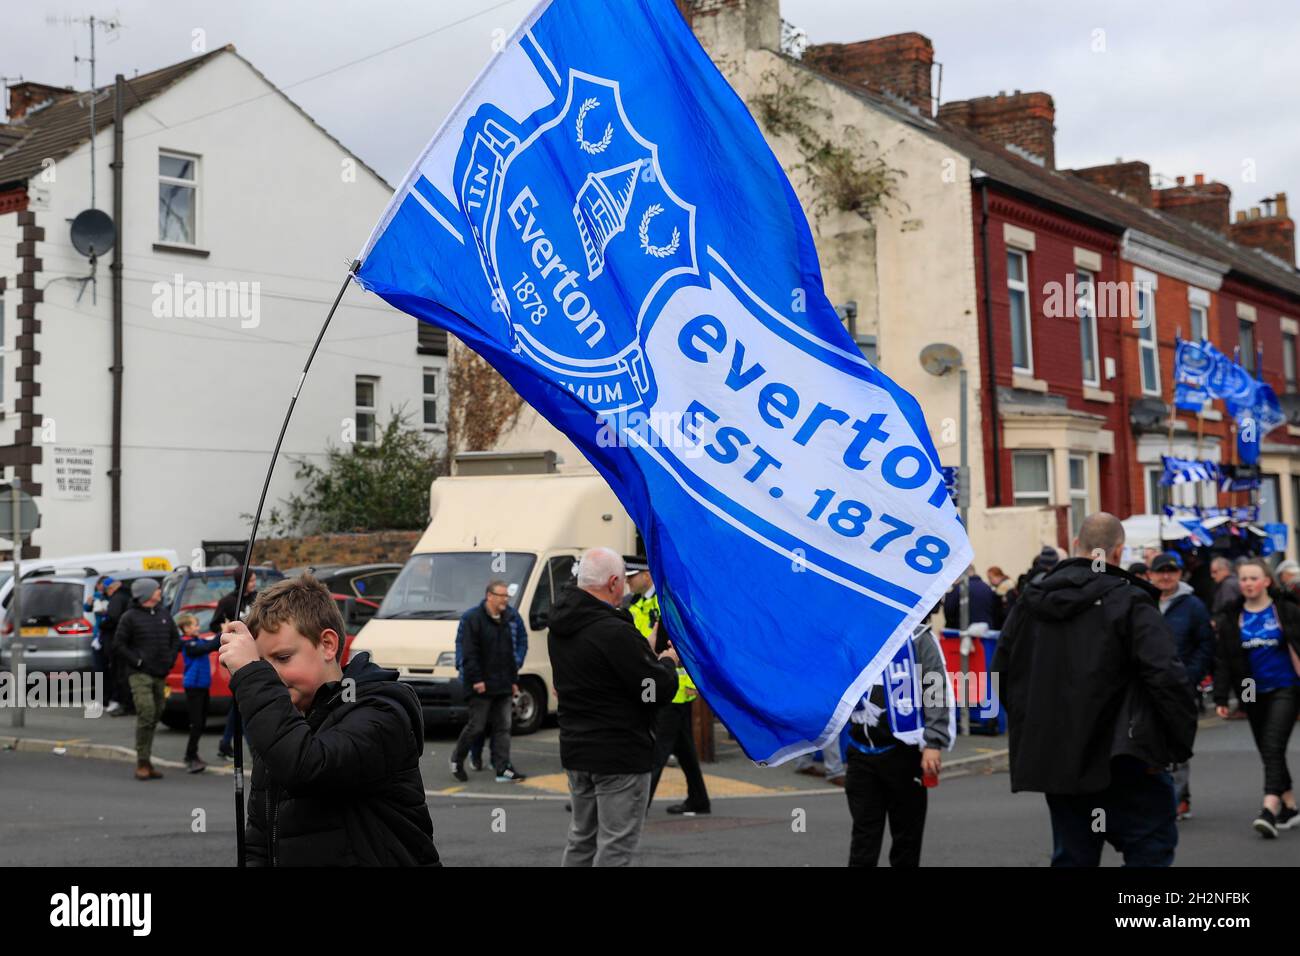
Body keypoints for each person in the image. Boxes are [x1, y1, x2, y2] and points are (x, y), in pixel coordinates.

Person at [993, 512, 1197, 867]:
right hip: (1127, 756)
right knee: (1150, 849)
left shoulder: (1030, 602)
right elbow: (1166, 676)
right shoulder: (1131, 601)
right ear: (1118, 552)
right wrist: (1177, 743)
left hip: (1060, 757)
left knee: (1073, 855)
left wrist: (1038, 729)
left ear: (1075, 545)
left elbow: (1002, 674)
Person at [218, 574, 440, 866]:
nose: (272, 675)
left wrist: (252, 675)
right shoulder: (282, 723)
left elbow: (308, 767)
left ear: (327, 645)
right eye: (263, 663)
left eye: (283, 658)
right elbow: (261, 838)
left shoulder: (381, 712)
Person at [548, 547, 678, 866]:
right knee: (616, 845)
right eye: (622, 581)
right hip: (619, 753)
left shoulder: (563, 626)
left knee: (582, 838)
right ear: (612, 583)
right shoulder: (613, 631)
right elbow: (652, 689)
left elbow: (605, 668)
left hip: (577, 748)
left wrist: (642, 651)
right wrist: (666, 663)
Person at [844, 606, 954, 867]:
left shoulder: (918, 638)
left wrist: (933, 742)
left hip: (904, 753)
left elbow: (935, 688)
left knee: (906, 838)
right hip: (860, 752)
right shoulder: (857, 636)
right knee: (863, 836)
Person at [1211, 557, 1300, 838]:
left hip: (1286, 687)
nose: (1248, 583)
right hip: (1250, 691)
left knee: (1273, 745)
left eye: (1253, 578)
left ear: (1266, 581)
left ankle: (1269, 808)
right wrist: (1221, 697)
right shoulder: (1232, 617)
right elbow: (1224, 660)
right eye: (1244, 579)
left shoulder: (1284, 610)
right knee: (1267, 749)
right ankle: (1289, 806)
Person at [625, 558, 711, 815]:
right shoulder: (638, 604)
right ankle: (699, 800)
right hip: (657, 684)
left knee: (656, 749)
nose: (628, 580)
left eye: (632, 575)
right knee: (683, 749)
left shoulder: (667, 603)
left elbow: (685, 646)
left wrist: (693, 682)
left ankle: (638, 806)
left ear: (647, 576)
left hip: (672, 687)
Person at [1148, 551, 1215, 820]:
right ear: (1151, 575)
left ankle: (1177, 798)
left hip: (1181, 687)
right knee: (1151, 743)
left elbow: (1205, 643)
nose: (1166, 576)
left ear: (1179, 574)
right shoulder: (1143, 601)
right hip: (1148, 686)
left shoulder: (1192, 605)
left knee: (1177, 743)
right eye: (1160, 571)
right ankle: (1162, 797)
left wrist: (1190, 675)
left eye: (1171, 571)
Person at [449, 580, 527, 783]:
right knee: (476, 727)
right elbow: (469, 651)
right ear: (489, 596)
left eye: (507, 596)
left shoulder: (507, 617)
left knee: (503, 728)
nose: (505, 600)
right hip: (481, 684)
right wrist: (476, 679)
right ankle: (457, 759)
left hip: (502, 683)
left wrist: (513, 679)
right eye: (501, 596)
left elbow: (508, 652)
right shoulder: (473, 618)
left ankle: (503, 768)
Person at [114, 578, 182, 780]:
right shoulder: (129, 617)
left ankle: (147, 759)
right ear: (146, 594)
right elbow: (119, 644)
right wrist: (137, 662)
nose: (159, 591)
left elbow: (175, 638)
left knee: (157, 713)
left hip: (160, 673)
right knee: (147, 711)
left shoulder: (163, 613)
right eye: (156, 589)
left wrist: (170, 659)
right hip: (140, 674)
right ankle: (142, 762)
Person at [209, 568, 260, 760]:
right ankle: (253, 749)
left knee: (237, 701)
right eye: (251, 580)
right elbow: (214, 625)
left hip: (257, 650)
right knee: (242, 699)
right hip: (238, 653)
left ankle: (225, 743)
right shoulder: (229, 601)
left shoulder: (258, 599)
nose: (254, 584)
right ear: (242, 580)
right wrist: (225, 629)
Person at [178, 612, 221, 773]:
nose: (197, 627)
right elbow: (207, 647)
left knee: (201, 722)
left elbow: (213, 644)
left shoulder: (197, 640)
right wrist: (221, 632)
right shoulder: (188, 644)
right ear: (186, 628)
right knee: (196, 723)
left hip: (203, 686)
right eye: (195, 625)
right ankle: (190, 756)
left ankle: (192, 754)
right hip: (193, 687)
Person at [101, 578, 133, 716]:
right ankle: (129, 703)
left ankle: (124, 704)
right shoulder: (128, 597)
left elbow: (113, 618)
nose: (106, 593)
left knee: (119, 673)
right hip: (127, 641)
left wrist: (103, 624)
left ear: (112, 588)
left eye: (106, 590)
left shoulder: (116, 598)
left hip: (116, 640)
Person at [942, 566, 1001, 631]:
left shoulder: (958, 588)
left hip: (963, 632)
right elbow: (996, 612)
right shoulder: (988, 588)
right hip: (985, 632)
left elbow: (949, 611)